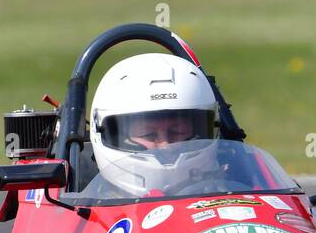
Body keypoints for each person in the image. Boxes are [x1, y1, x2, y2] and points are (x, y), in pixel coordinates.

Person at [85, 53, 224, 197]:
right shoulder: (79, 212)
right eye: (148, 134)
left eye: (178, 132)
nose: (165, 145)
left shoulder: (232, 192)